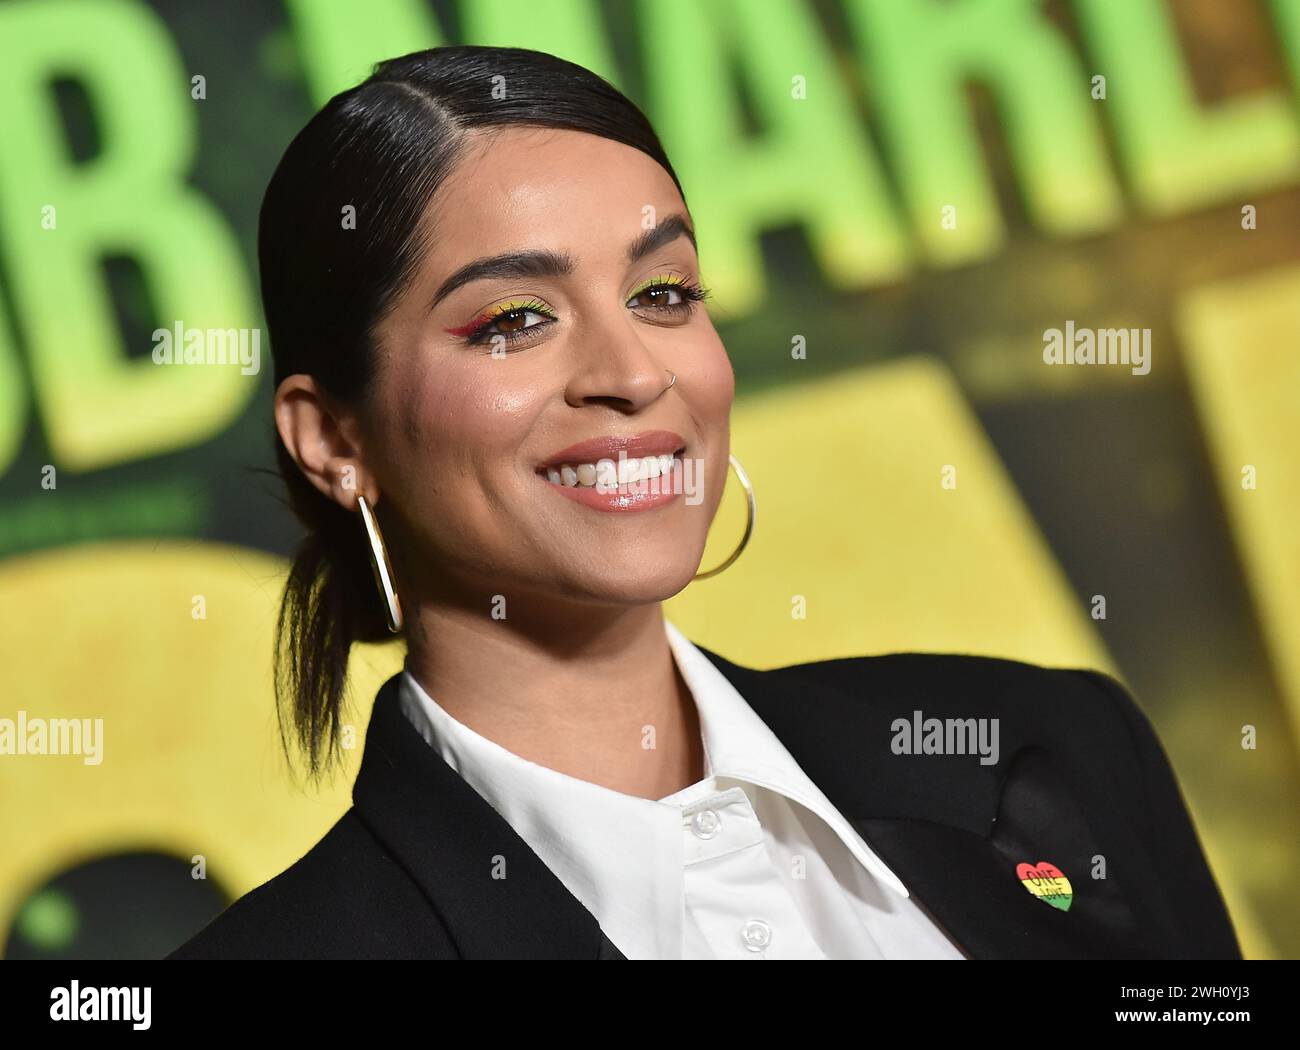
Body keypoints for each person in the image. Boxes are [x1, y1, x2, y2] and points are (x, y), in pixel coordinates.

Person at [168, 44, 1240, 960]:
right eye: (514, 320)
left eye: (662, 293)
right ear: (334, 440)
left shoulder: (1048, 752)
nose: (634, 372)